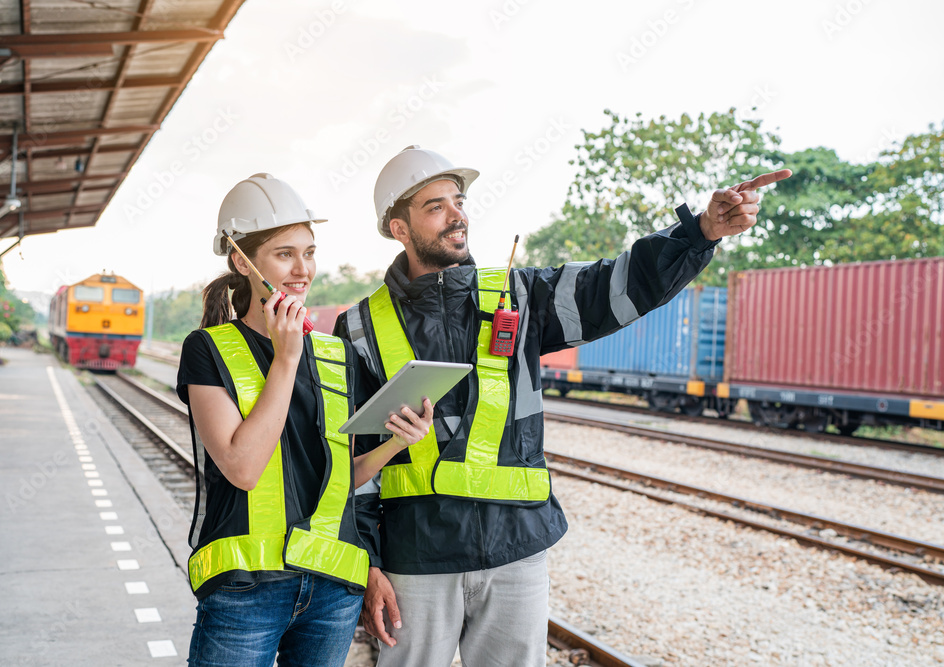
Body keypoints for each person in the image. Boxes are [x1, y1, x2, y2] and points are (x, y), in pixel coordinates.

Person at [334, 146, 791, 666]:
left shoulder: (520, 297)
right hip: (414, 556)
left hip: (517, 549)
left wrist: (700, 232)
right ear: (399, 227)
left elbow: (617, 285)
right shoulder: (358, 327)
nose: (458, 215)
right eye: (436, 206)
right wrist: (368, 565)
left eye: (458, 201)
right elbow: (350, 466)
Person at [177, 173, 433, 667]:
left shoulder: (336, 355)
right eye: (284, 253)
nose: (302, 269)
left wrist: (393, 445)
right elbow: (243, 467)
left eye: (309, 252)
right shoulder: (208, 349)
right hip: (245, 591)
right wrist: (286, 357)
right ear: (241, 261)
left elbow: (340, 476)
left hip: (331, 590)